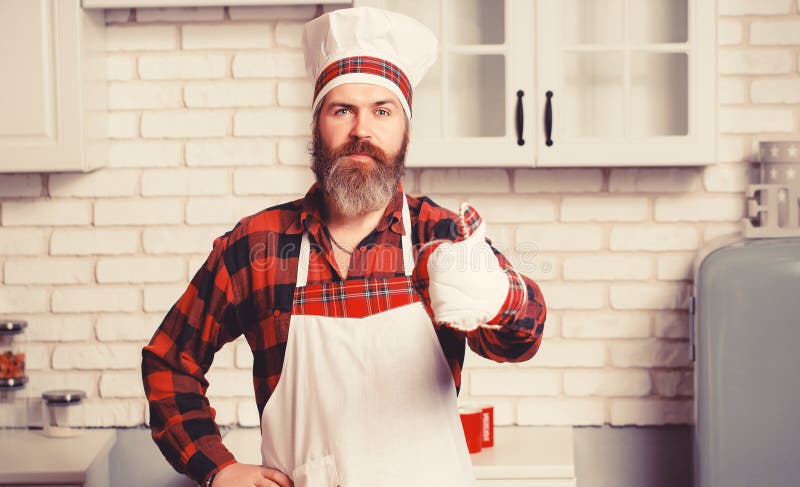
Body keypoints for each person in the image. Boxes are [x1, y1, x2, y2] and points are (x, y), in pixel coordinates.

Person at [142, 7, 546, 487]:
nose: (362, 131)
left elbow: (522, 338)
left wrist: (499, 298)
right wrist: (219, 468)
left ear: (404, 130)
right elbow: (170, 361)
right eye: (342, 110)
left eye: (382, 110)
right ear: (317, 125)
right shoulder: (257, 247)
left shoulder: (441, 237)